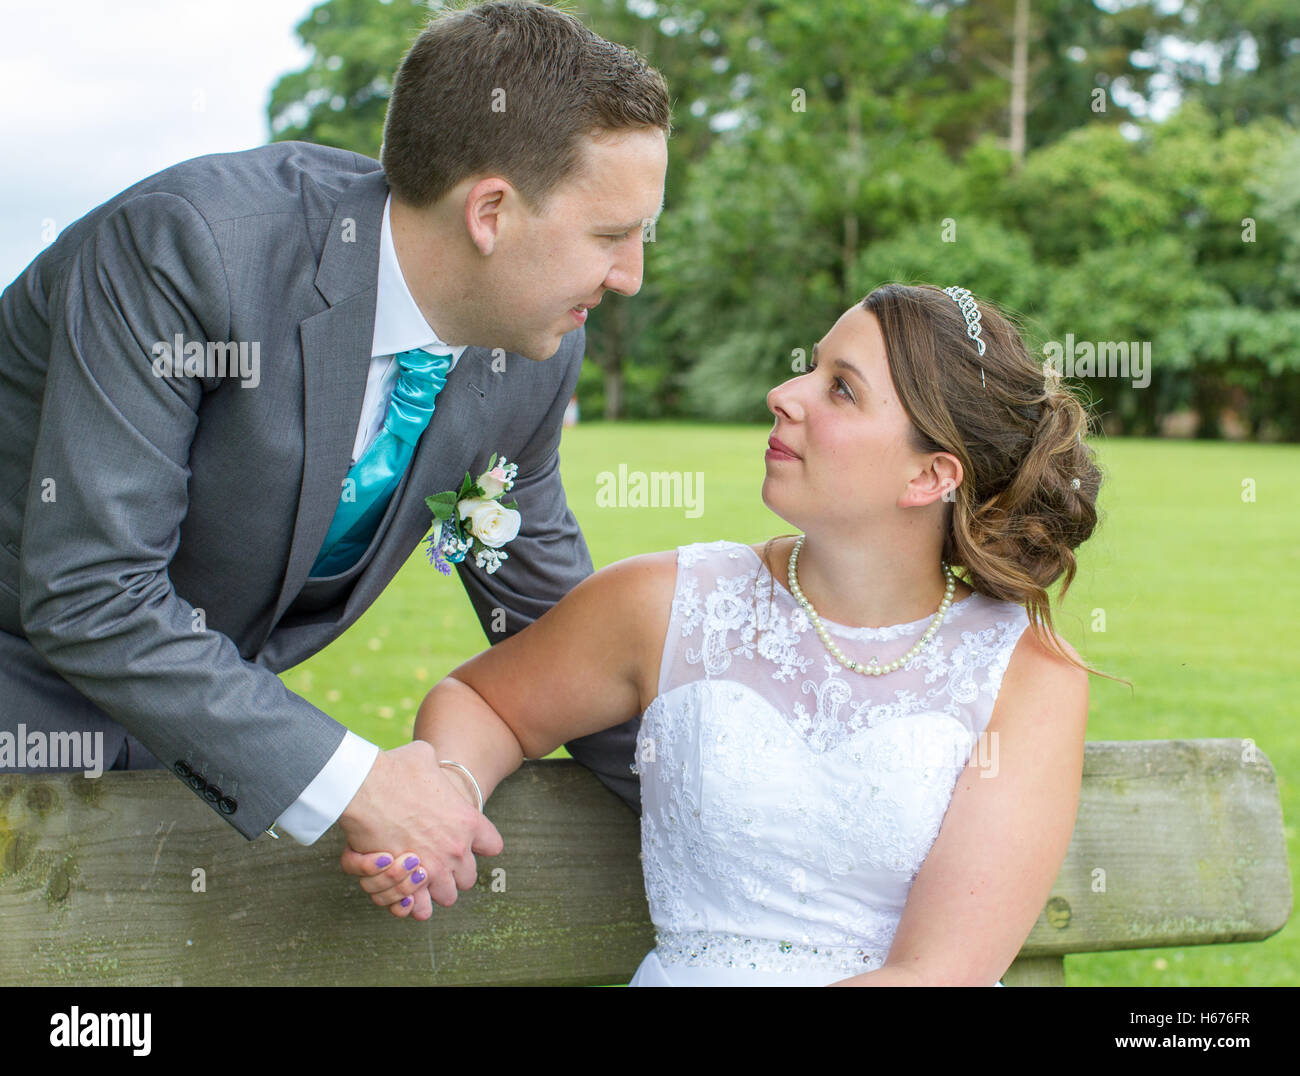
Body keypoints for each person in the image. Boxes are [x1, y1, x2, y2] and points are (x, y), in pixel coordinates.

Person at [0, 0, 667, 920]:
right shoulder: (190, 249)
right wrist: (358, 784)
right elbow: (92, 590)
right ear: (491, 212)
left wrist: (734, 822)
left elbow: (553, 627)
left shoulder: (530, 354)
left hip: (193, 761)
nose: (632, 273)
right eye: (610, 236)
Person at [348, 282, 1104, 985]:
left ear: (929, 477)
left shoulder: (1025, 674)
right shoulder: (670, 602)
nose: (783, 395)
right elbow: (487, 704)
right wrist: (443, 794)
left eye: (841, 388)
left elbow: (934, 976)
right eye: (810, 369)